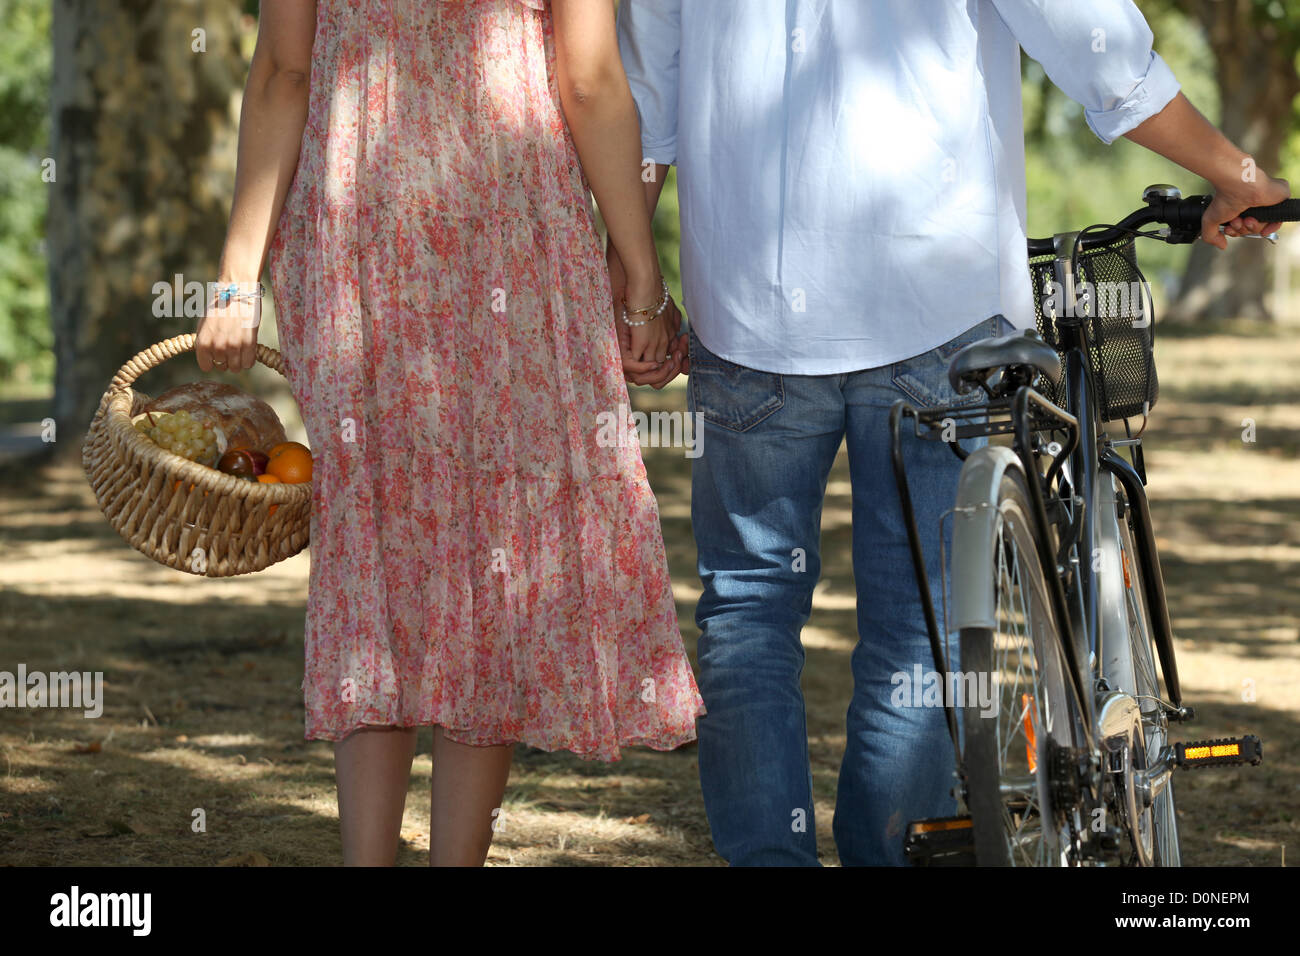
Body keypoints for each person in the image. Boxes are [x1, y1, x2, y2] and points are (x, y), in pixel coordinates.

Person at [615, 0, 1290, 865]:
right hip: (935, 300)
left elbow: (645, 96)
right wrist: (1233, 171)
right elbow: (1094, 42)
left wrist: (634, 278)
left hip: (750, 306)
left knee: (747, 617)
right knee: (922, 630)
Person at [196, 0, 704, 866]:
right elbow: (586, 80)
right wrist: (640, 280)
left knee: (373, 540)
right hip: (510, 228)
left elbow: (283, 73)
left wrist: (238, 277)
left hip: (358, 229)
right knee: (491, 546)